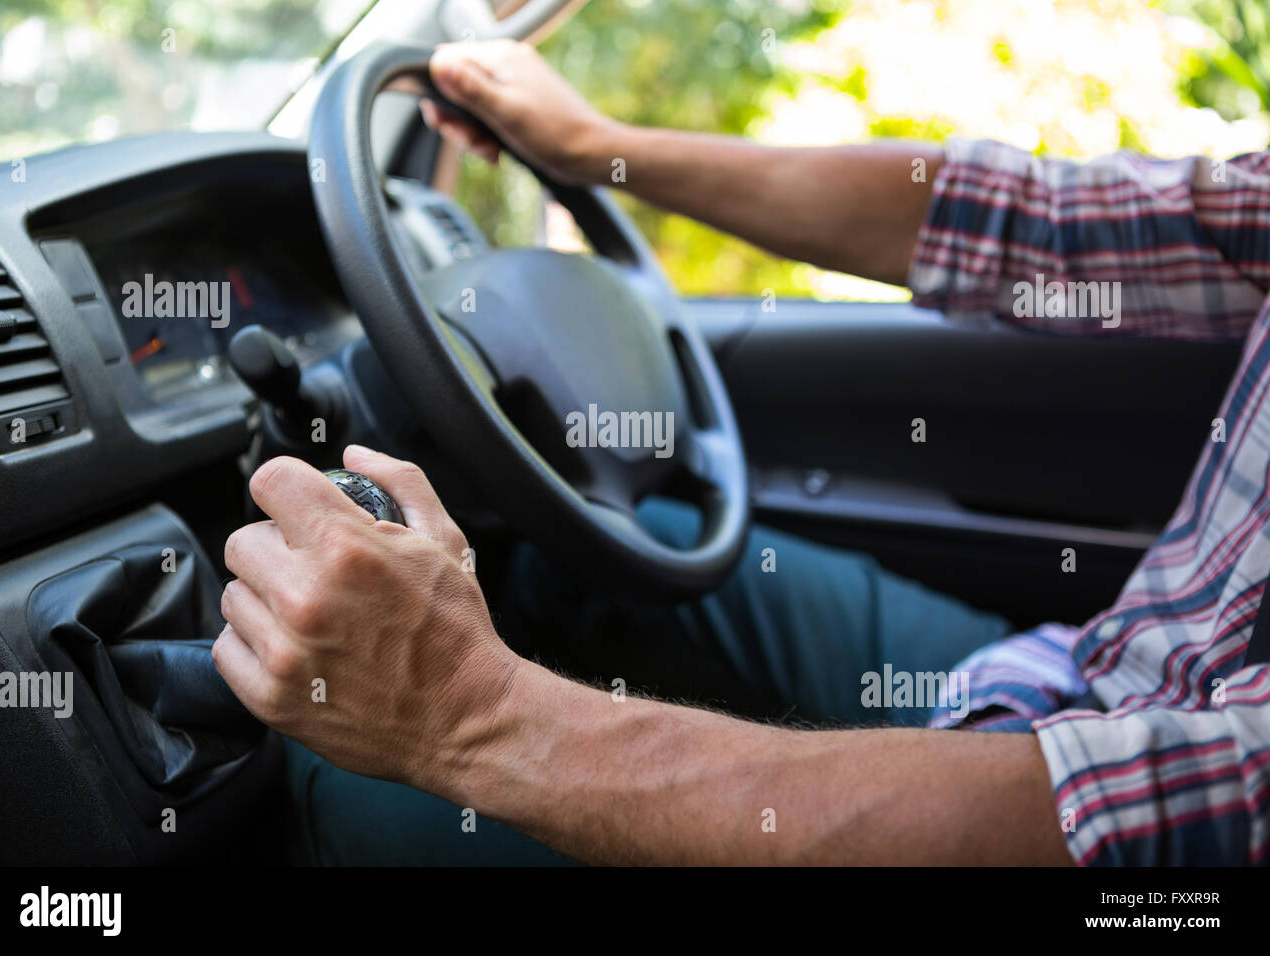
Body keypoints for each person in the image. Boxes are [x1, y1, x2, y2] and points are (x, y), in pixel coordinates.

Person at [212, 40, 1270, 866]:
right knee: (597, 551)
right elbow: (1036, 223)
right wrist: (595, 147)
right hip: (1073, 674)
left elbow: (1092, 839)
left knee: (327, 780)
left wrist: (469, 717)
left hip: (1067, 824)